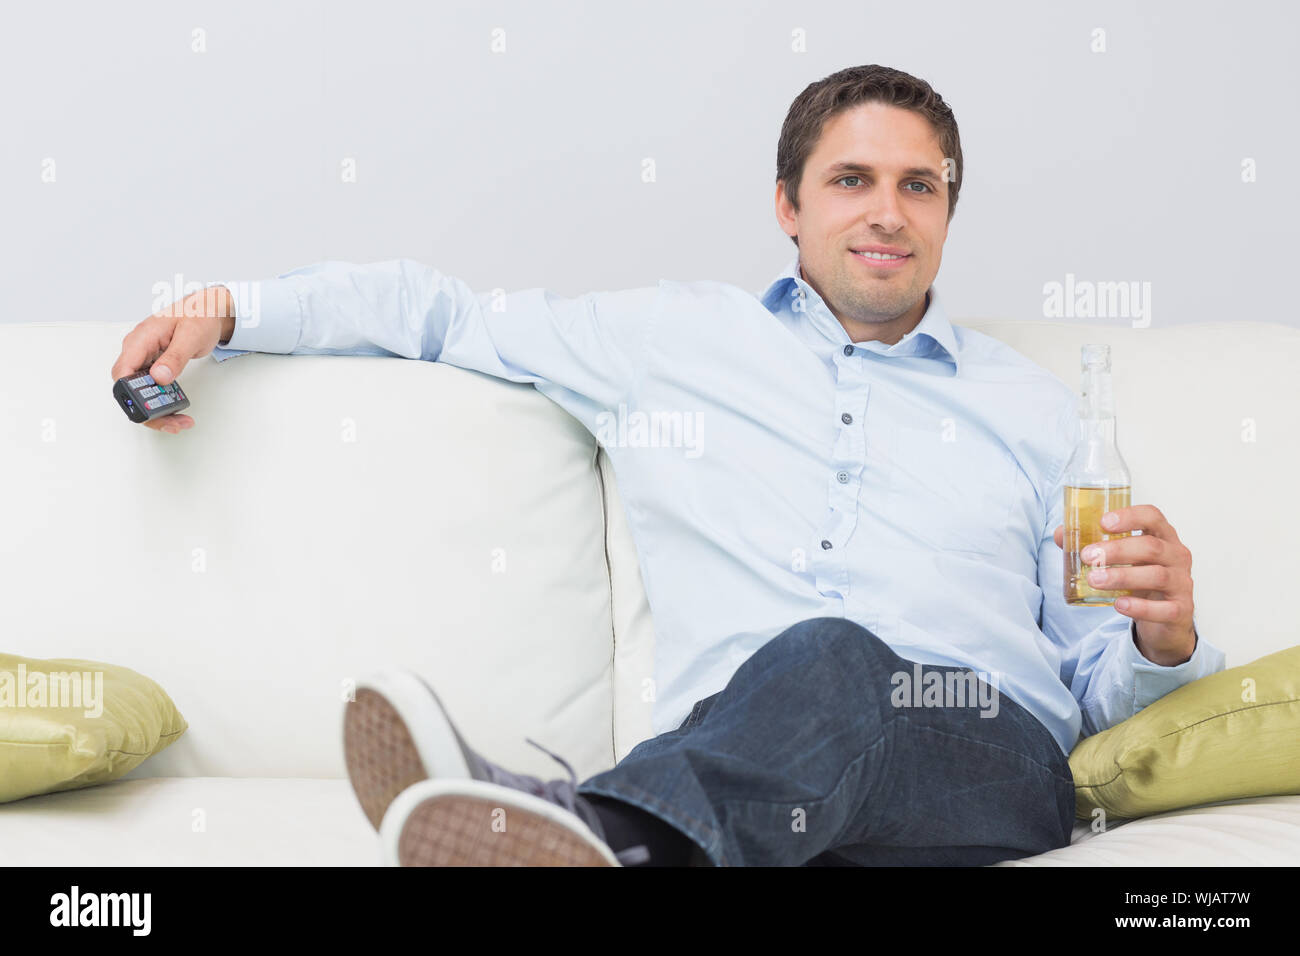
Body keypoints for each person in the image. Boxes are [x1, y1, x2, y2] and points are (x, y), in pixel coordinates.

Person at [110, 64, 1222, 866]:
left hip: (977, 761)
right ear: (788, 206)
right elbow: (437, 312)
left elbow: (1091, 689)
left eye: (919, 186)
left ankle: (573, 822)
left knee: (836, 656)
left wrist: (1158, 638)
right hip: (747, 765)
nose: (887, 211)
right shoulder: (667, 341)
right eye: (851, 180)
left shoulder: (1034, 410)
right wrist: (232, 308)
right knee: (794, 677)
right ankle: (618, 839)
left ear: (944, 216)